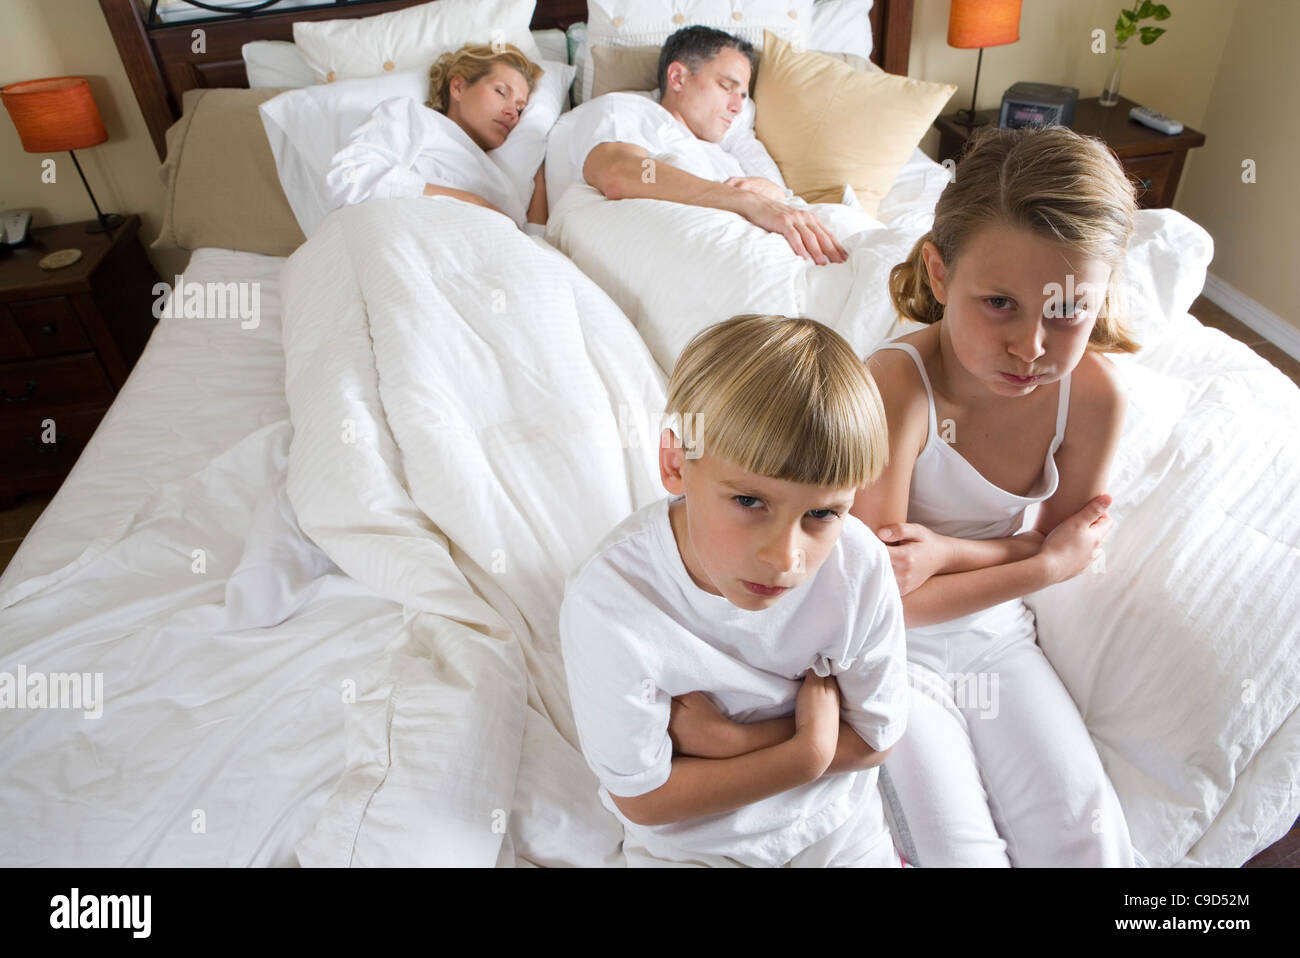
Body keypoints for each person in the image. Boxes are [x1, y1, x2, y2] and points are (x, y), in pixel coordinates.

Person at [851, 124, 1141, 867]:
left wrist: (950, 549)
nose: (1033, 347)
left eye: (1068, 311)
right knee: (959, 851)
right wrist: (1039, 567)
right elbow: (881, 602)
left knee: (1089, 836)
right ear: (940, 275)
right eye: (1000, 304)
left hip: (996, 634)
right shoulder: (896, 389)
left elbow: (1061, 536)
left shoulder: (1093, 398)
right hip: (889, 648)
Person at [559, 314, 908, 867]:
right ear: (676, 465)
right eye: (749, 502)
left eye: (821, 513)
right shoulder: (612, 603)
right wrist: (805, 752)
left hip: (833, 825)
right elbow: (646, 798)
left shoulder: (857, 565)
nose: (784, 557)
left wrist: (735, 743)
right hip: (691, 846)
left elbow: (876, 739)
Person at [569, 25, 847, 265]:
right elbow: (625, 172)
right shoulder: (630, 111)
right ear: (678, 77)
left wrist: (772, 192)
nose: (737, 107)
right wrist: (746, 202)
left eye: (743, 95)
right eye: (727, 87)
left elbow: (786, 198)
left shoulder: (727, 149)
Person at [324, 43, 547, 230]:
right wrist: (472, 201)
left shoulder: (505, 179)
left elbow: (536, 240)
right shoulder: (412, 117)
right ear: (458, 87)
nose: (512, 113)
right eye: (500, 92)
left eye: (520, 108)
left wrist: (539, 162)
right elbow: (348, 179)